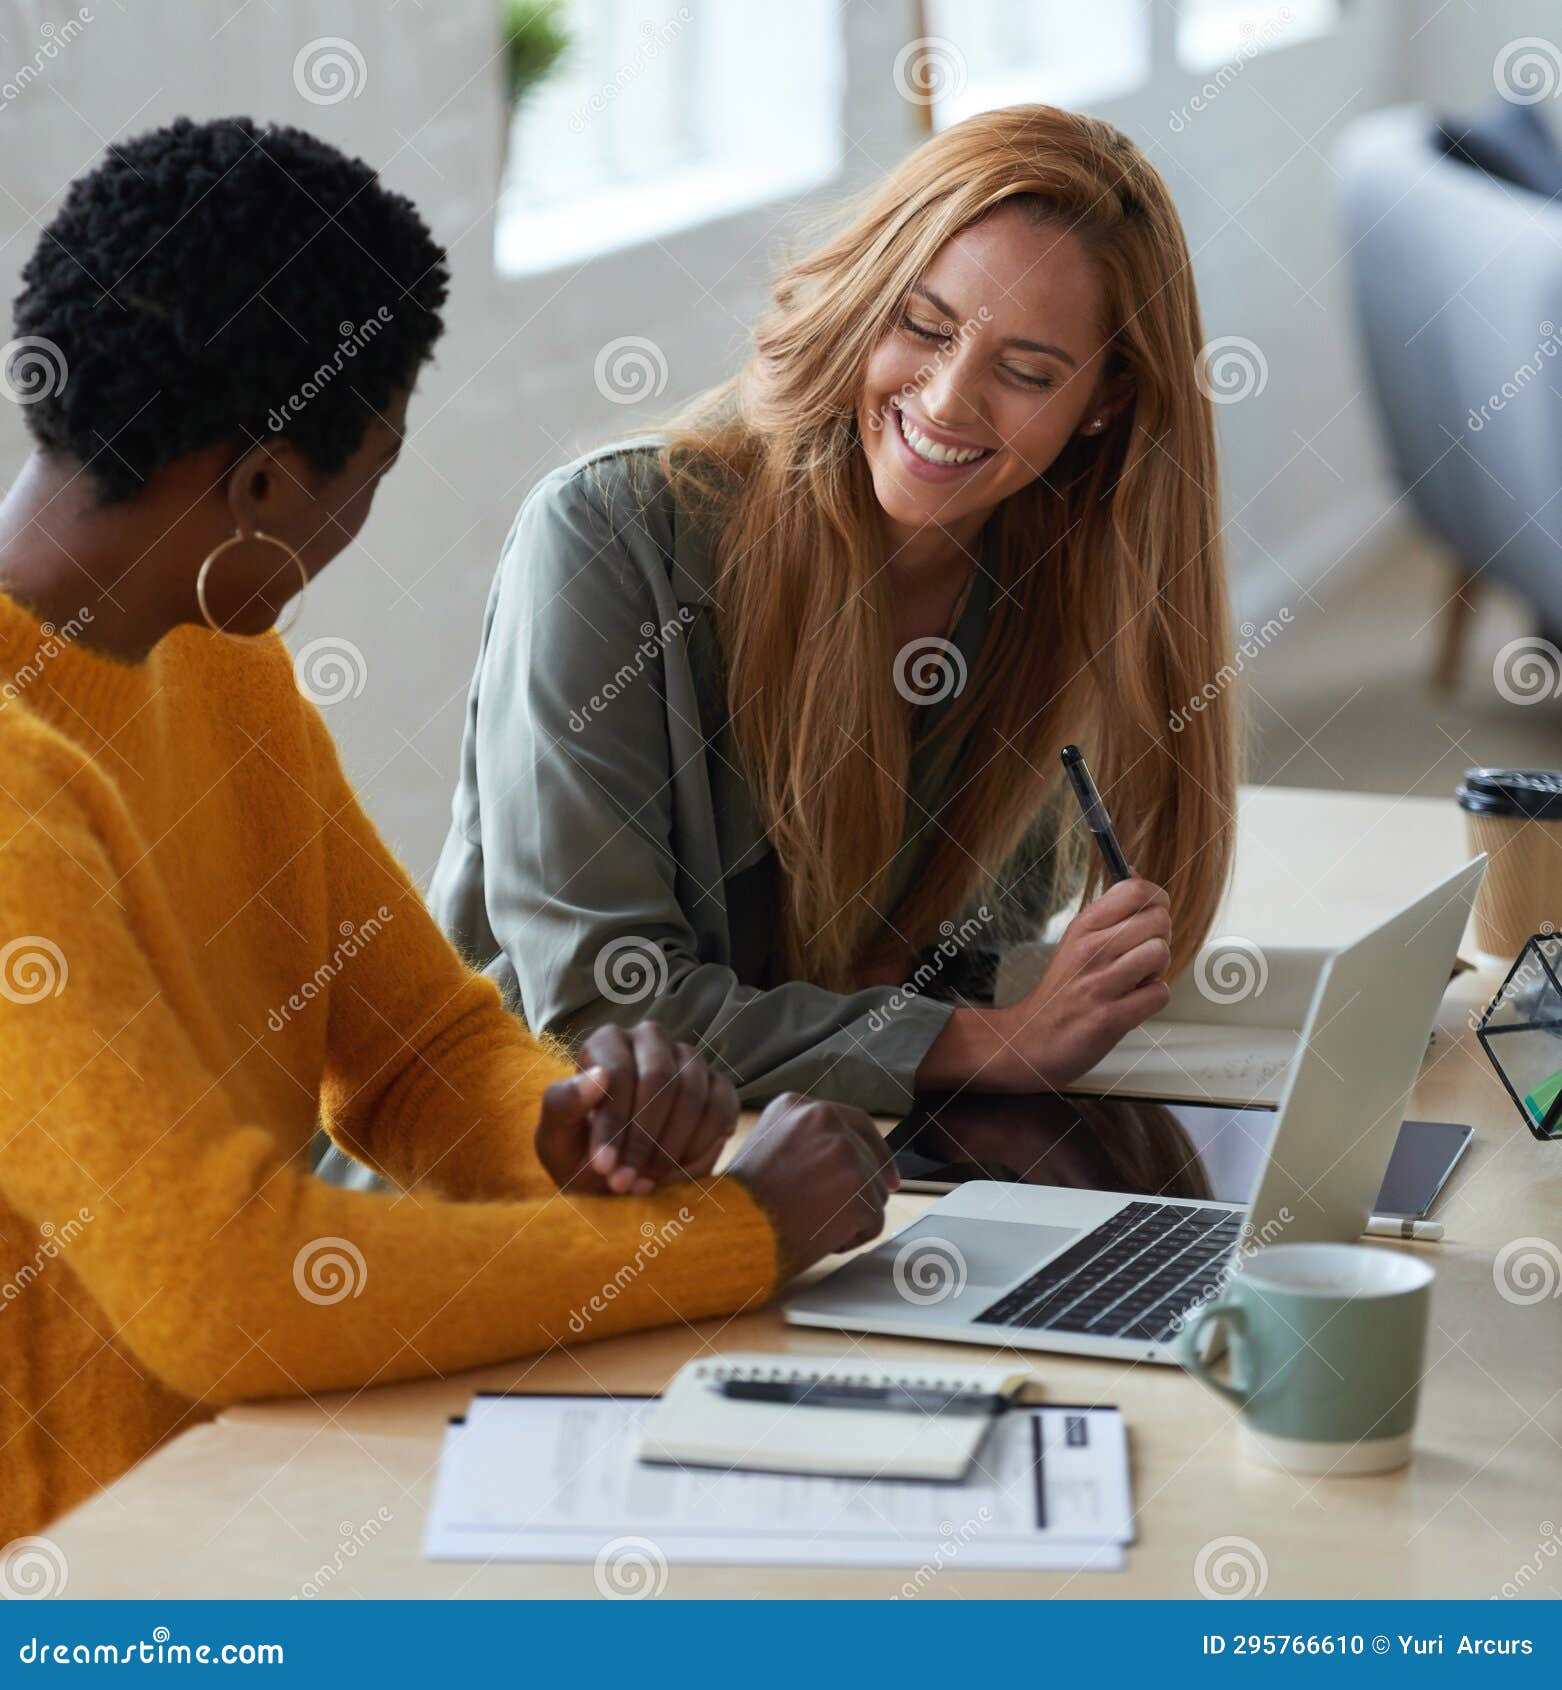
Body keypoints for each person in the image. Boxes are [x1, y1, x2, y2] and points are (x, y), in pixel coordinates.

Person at [0, 117, 894, 1540]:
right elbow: (220, 1285)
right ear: (261, 486)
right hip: (90, 1564)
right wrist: (735, 1233)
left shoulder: (221, 666)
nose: (361, 517)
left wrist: (560, 1131)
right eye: (373, 470)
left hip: (261, 1479)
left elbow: (416, 1046)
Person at [431, 104, 1239, 1115]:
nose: (945, 403)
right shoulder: (603, 535)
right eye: (922, 326)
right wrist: (988, 1039)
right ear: (868, 298)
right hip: (511, 1193)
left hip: (810, 1166)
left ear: (1106, 402)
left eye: (1026, 372)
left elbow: (938, 973)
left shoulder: (1039, 589)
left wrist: (977, 1021)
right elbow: (602, 1007)